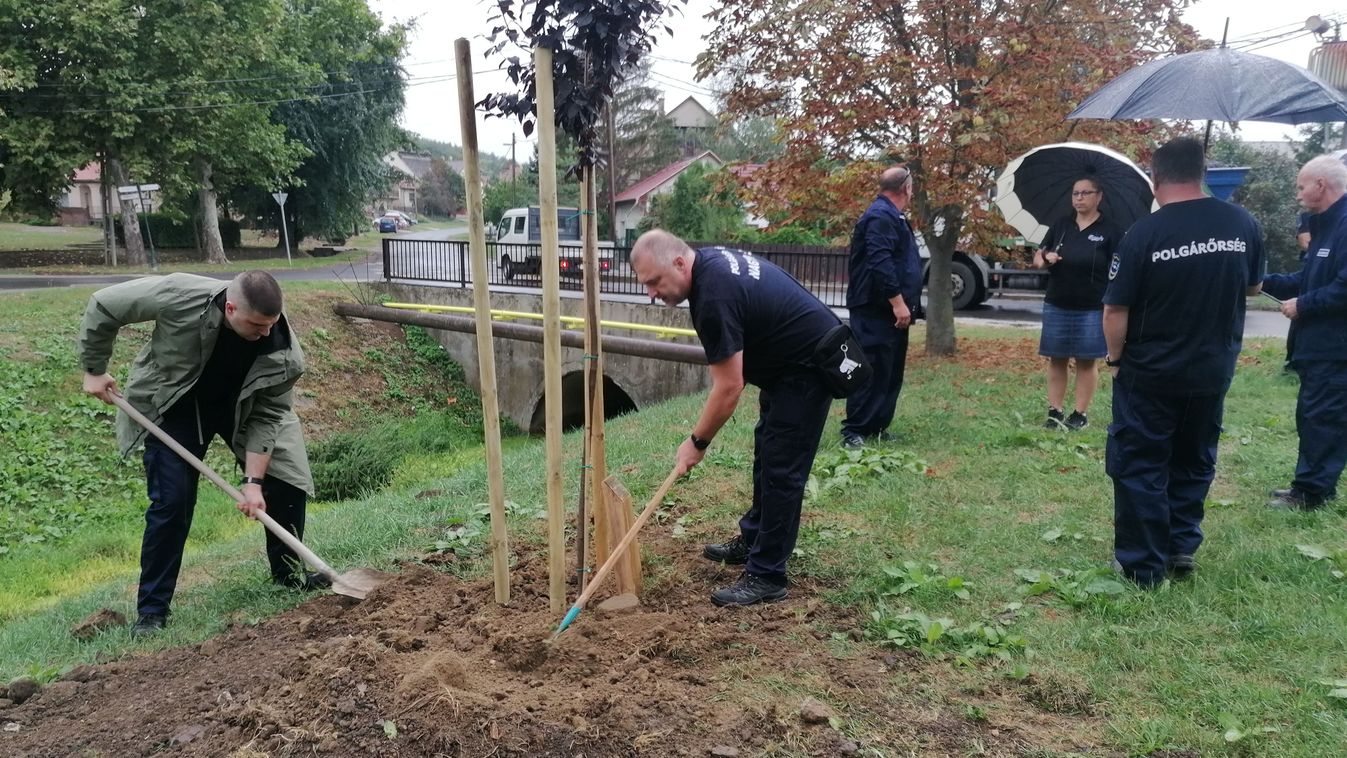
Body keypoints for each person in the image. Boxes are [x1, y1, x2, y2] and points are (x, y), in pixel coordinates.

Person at [78, 271, 324, 636]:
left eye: (271, 324)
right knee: (173, 500)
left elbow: (269, 416)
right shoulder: (179, 294)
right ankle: (152, 612)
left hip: (246, 406)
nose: (266, 333)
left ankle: (288, 579)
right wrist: (94, 369)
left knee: (287, 480)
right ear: (231, 308)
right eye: (257, 325)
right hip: (175, 401)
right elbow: (105, 304)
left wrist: (253, 483)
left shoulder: (285, 353)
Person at [630, 230, 838, 606]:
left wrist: (697, 443)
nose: (652, 294)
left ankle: (767, 575)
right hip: (786, 365)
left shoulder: (713, 295)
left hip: (807, 368)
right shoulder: (709, 266)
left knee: (782, 470)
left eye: (655, 281)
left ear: (679, 263)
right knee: (767, 451)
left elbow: (728, 387)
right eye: (646, 285)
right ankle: (755, 538)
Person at [1102, 137, 1265, 587]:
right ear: (1203, 173)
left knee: (1141, 462)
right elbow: (1253, 287)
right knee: (1194, 458)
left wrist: (1115, 359)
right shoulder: (1242, 223)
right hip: (1212, 368)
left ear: (1155, 178)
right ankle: (1179, 546)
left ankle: (1142, 564)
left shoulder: (1143, 233)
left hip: (1150, 371)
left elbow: (1115, 309)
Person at [1262, 155, 1347, 511]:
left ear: (1320, 185)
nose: (1297, 194)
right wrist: (1262, 282)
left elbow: (1343, 287)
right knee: (1312, 416)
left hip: (1336, 347)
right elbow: (1308, 279)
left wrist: (1303, 305)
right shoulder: (1324, 226)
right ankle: (1313, 484)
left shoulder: (1344, 226)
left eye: (1300, 186)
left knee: (1324, 418)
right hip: (1316, 347)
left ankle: (1312, 494)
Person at [842, 165, 924, 448]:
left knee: (890, 370)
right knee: (871, 367)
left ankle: (877, 425)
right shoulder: (880, 216)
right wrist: (898, 303)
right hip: (875, 309)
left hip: (891, 311)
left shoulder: (893, 216)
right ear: (906, 188)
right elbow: (880, 261)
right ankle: (854, 430)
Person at [1032, 176, 1121, 430]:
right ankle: (1055, 411)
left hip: (1092, 307)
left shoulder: (1111, 230)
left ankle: (1079, 414)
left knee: (1086, 360)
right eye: (1075, 193)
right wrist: (1046, 258)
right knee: (1056, 358)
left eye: (1085, 193)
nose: (1079, 198)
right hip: (1057, 303)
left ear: (1099, 196)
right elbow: (1038, 259)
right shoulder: (1062, 225)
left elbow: (1118, 268)